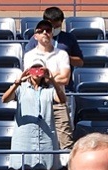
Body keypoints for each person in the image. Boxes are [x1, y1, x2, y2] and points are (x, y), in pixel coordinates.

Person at [3, 63, 64, 170]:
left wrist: (52, 80)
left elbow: (62, 100)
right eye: (34, 69)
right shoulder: (21, 88)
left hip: (45, 135)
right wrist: (18, 82)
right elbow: (5, 99)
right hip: (24, 136)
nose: (37, 72)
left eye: (40, 69)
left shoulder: (49, 90)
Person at [23, 20, 73, 149]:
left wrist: (44, 76)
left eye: (48, 30)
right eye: (40, 30)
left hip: (58, 102)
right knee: (38, 143)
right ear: (35, 35)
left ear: (52, 34)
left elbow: (65, 78)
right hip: (37, 103)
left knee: (65, 142)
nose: (45, 32)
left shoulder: (62, 54)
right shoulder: (29, 55)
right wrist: (53, 75)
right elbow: (31, 79)